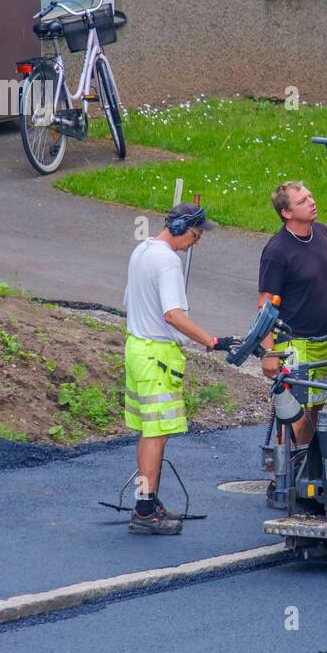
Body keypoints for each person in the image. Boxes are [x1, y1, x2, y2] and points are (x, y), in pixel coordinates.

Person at [123, 202, 231, 536]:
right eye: (196, 235)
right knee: (156, 433)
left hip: (137, 349)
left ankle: (147, 499)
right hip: (157, 355)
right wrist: (211, 340)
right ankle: (144, 511)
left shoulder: (142, 250)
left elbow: (129, 301)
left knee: (148, 430)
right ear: (181, 228)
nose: (195, 242)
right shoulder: (168, 261)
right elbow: (173, 314)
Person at [258, 181, 327, 451]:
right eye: (303, 200)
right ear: (286, 213)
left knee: (315, 410)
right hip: (293, 345)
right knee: (293, 417)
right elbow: (264, 305)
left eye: (310, 195)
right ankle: (283, 481)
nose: (311, 202)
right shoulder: (276, 251)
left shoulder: (323, 233)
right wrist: (268, 352)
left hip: (325, 340)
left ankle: (305, 471)